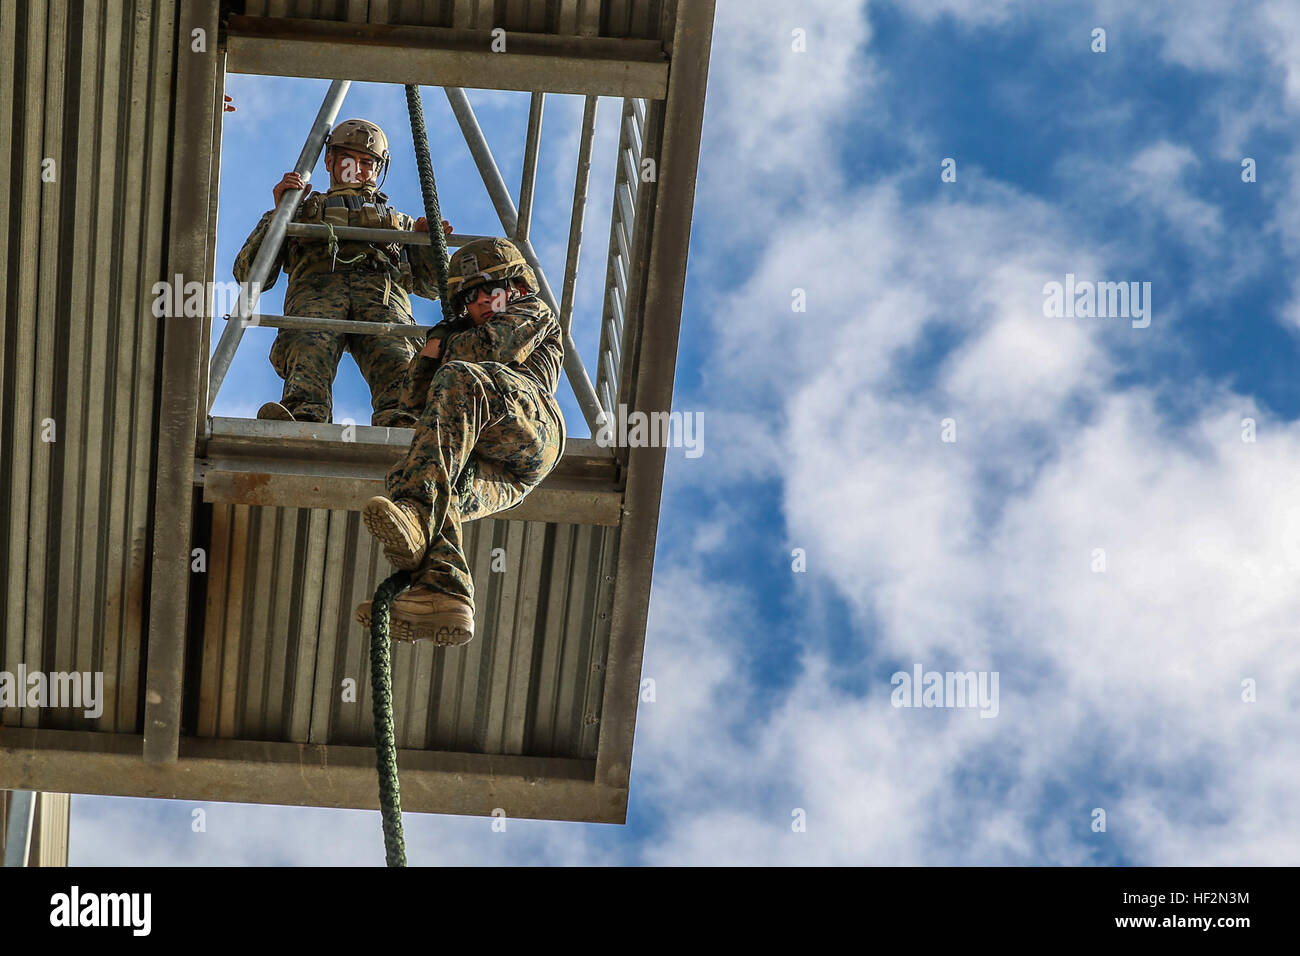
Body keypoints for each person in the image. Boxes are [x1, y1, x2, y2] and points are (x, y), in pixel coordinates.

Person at [354, 237, 566, 645]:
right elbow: (413, 400)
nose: (482, 300)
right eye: (470, 295)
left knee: (459, 381)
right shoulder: (457, 340)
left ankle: (416, 516)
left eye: (491, 289)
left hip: (531, 424)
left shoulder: (531, 311)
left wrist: (443, 347)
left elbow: (491, 348)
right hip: (498, 466)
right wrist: (435, 348)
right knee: (422, 477)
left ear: (515, 288)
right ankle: (444, 591)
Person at [231, 118, 453, 427]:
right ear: (330, 161)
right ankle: (303, 416)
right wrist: (279, 215)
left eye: (367, 162)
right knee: (308, 349)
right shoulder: (300, 210)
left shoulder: (400, 223)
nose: (358, 169)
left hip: (382, 299)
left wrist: (428, 246)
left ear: (378, 169)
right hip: (315, 294)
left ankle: (404, 423)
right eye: (349, 159)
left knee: (397, 359)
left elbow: (431, 286)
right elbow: (250, 273)